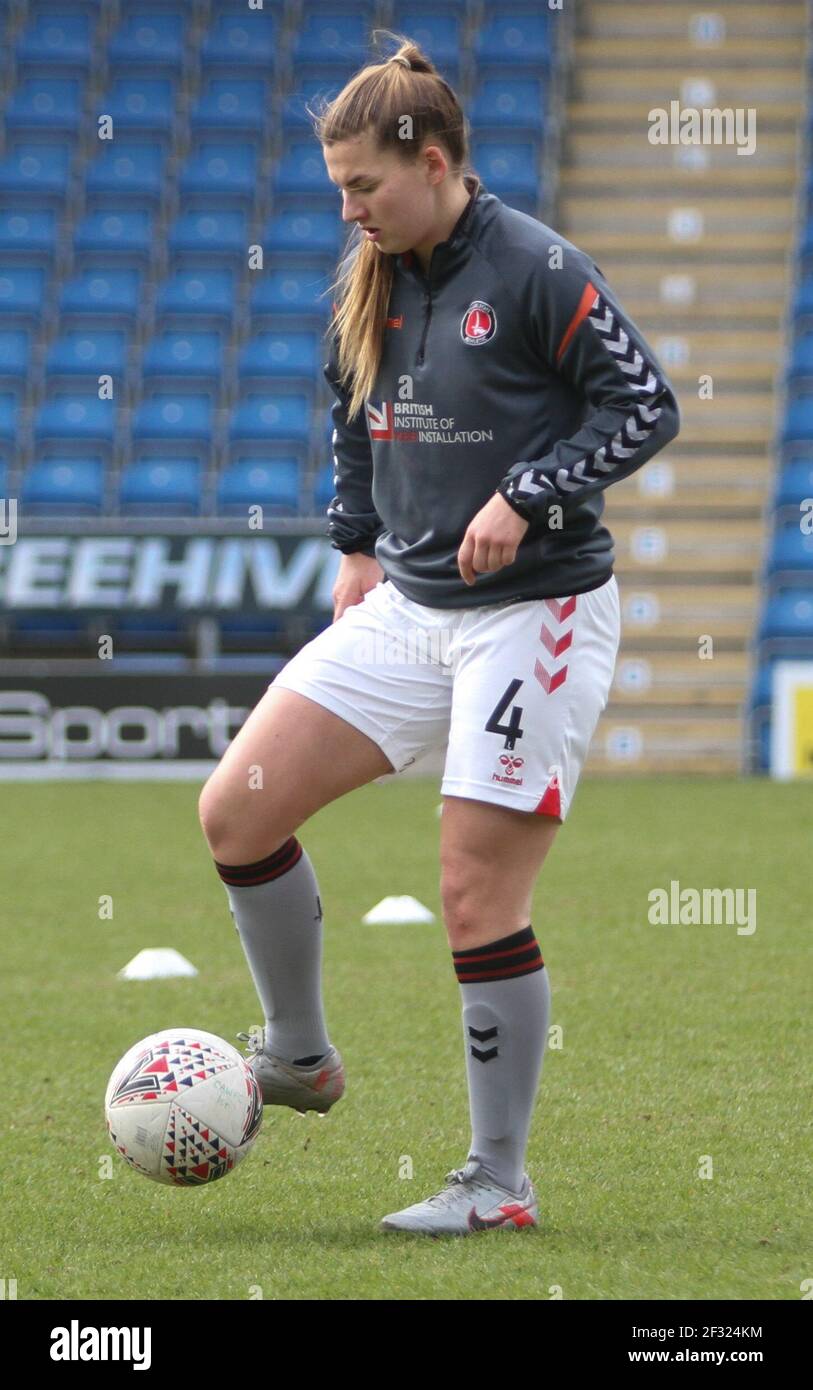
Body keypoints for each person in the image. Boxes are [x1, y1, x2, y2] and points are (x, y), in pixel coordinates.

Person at [198, 36, 681, 1237]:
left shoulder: (535, 267)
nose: (348, 209)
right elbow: (351, 410)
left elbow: (646, 404)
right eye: (338, 189)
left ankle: (498, 1182)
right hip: (410, 609)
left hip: (536, 613)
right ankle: (298, 1057)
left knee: (473, 893)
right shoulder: (371, 276)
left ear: (435, 162)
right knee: (236, 810)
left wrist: (528, 494)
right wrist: (356, 545)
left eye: (363, 184)